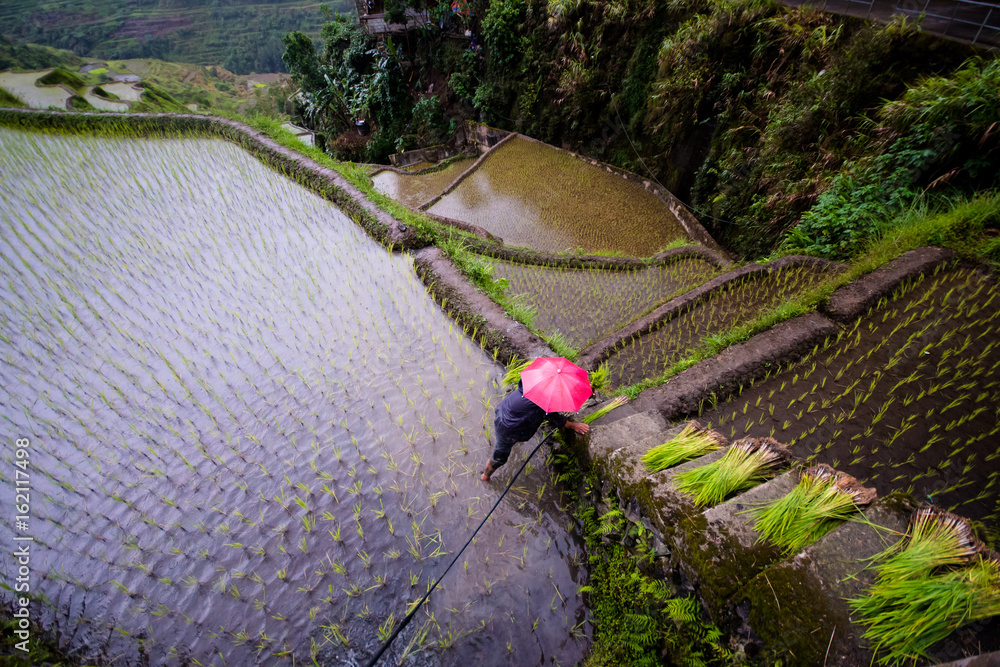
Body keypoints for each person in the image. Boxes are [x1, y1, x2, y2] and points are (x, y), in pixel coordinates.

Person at [481, 381, 590, 482]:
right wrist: (572, 425)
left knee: (509, 441)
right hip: (507, 428)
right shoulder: (542, 401)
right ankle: (485, 476)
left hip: (504, 410)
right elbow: (555, 419)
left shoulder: (531, 385)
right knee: (500, 458)